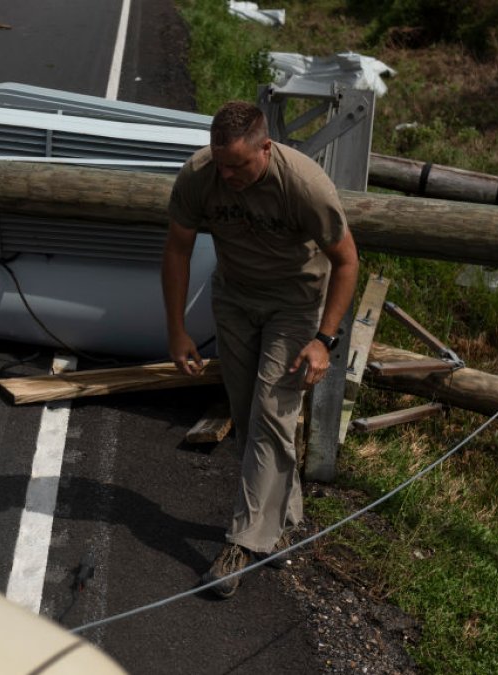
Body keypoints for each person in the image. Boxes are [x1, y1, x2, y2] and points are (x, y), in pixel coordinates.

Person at [161, 100, 359, 598]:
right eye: (219, 162)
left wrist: (324, 339)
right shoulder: (199, 175)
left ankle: (241, 542)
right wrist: (176, 329)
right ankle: (284, 520)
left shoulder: (304, 186)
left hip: (294, 306)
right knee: (251, 418)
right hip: (234, 298)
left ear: (266, 148)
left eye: (238, 166)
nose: (226, 174)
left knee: (273, 411)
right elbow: (177, 249)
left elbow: (348, 261)